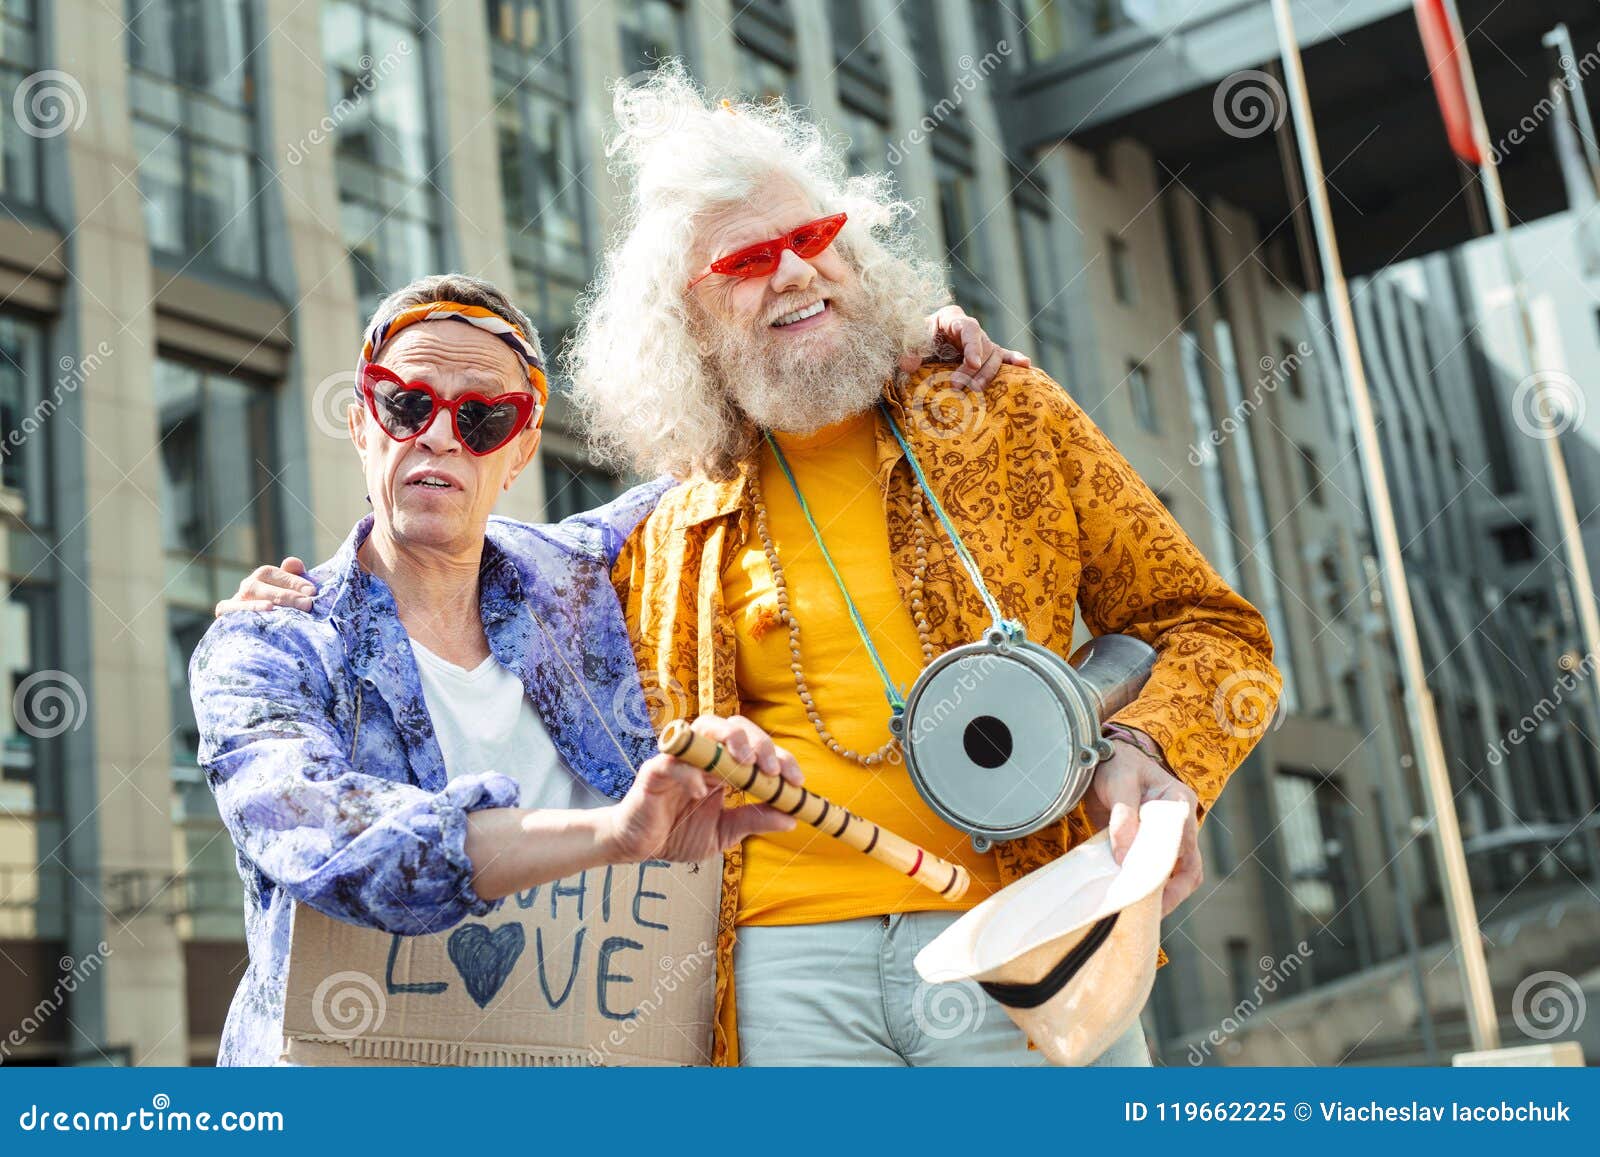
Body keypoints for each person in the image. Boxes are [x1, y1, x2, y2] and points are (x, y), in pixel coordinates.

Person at [569, 67, 1283, 1066]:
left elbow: (1215, 631)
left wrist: (1155, 757)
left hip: (1029, 930)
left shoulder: (1005, 411)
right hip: (779, 969)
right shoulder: (661, 529)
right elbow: (478, 604)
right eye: (746, 261)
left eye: (813, 238)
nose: (793, 273)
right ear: (682, 323)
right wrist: (293, 604)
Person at [201, 274, 1014, 1067]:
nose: (440, 435)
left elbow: (744, 439)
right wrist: (613, 833)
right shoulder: (272, 642)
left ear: (519, 451)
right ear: (363, 422)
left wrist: (898, 345)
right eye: (408, 403)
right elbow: (322, 832)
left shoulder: (588, 571)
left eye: (483, 416)